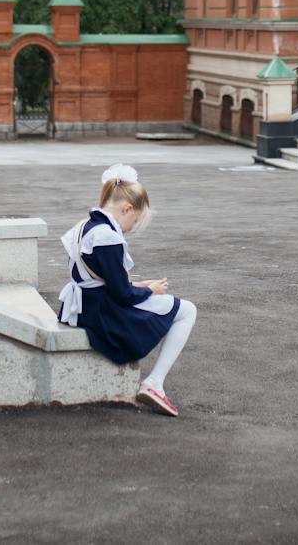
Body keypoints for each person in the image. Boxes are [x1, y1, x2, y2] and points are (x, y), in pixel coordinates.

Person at [58, 163, 198, 417]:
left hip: (83, 307)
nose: (132, 228)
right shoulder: (107, 236)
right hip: (102, 315)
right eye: (135, 220)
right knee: (187, 310)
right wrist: (149, 290)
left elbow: (98, 279)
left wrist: (139, 286)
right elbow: (121, 295)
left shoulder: (85, 226)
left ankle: (155, 383)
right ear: (127, 209)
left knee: (173, 306)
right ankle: (154, 384)